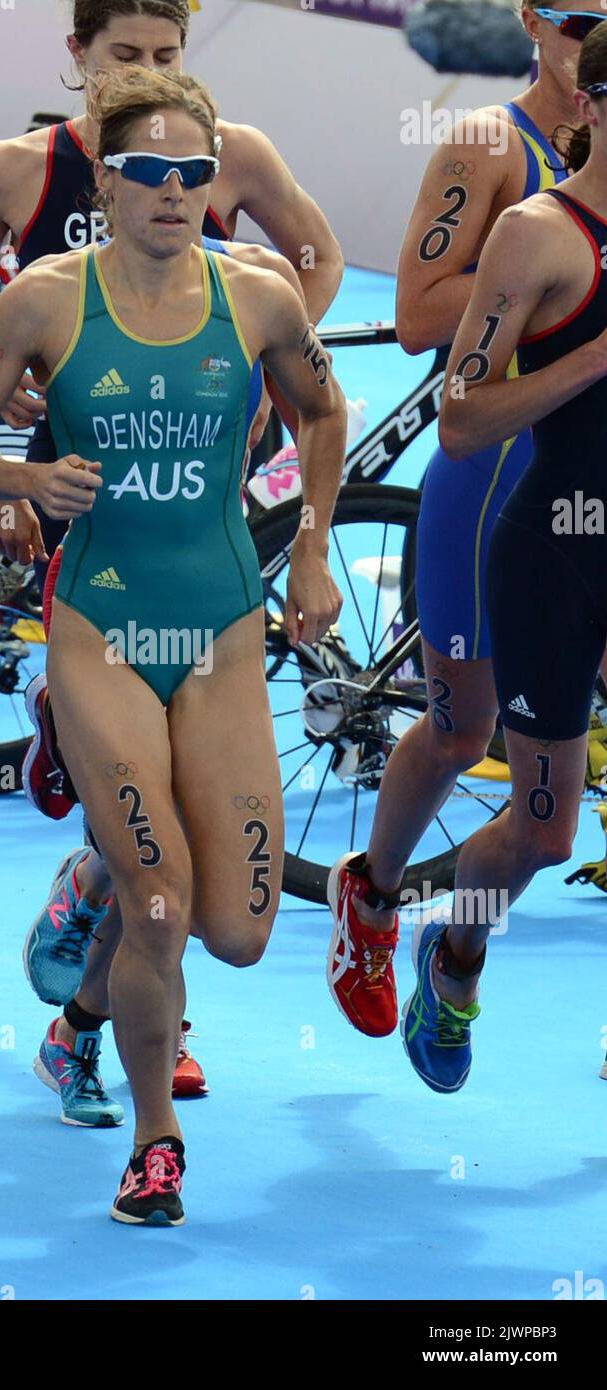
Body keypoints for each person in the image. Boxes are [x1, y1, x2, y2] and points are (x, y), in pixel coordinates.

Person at [0, 66, 347, 1223]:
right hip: (99, 620)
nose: (172, 192)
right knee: (164, 905)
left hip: (217, 621)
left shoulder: (255, 294)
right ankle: (155, 1146)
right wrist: (23, 475)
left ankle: (85, 900)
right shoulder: (45, 303)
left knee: (238, 931)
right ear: (103, 180)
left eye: (192, 174)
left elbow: (322, 408)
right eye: (147, 172)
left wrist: (308, 546)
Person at [325, 0, 607, 1041]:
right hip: (496, 485)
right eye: (577, 14)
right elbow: (411, 316)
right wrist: (535, 291)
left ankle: (458, 955)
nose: (590, 31)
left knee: (544, 805)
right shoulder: (492, 149)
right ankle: (373, 890)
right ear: (532, 22)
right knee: (458, 729)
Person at [411, 24, 607, 1090]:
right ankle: (451, 954)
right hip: (553, 555)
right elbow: (460, 418)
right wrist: (589, 359)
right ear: (590, 106)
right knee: (539, 836)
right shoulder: (537, 234)